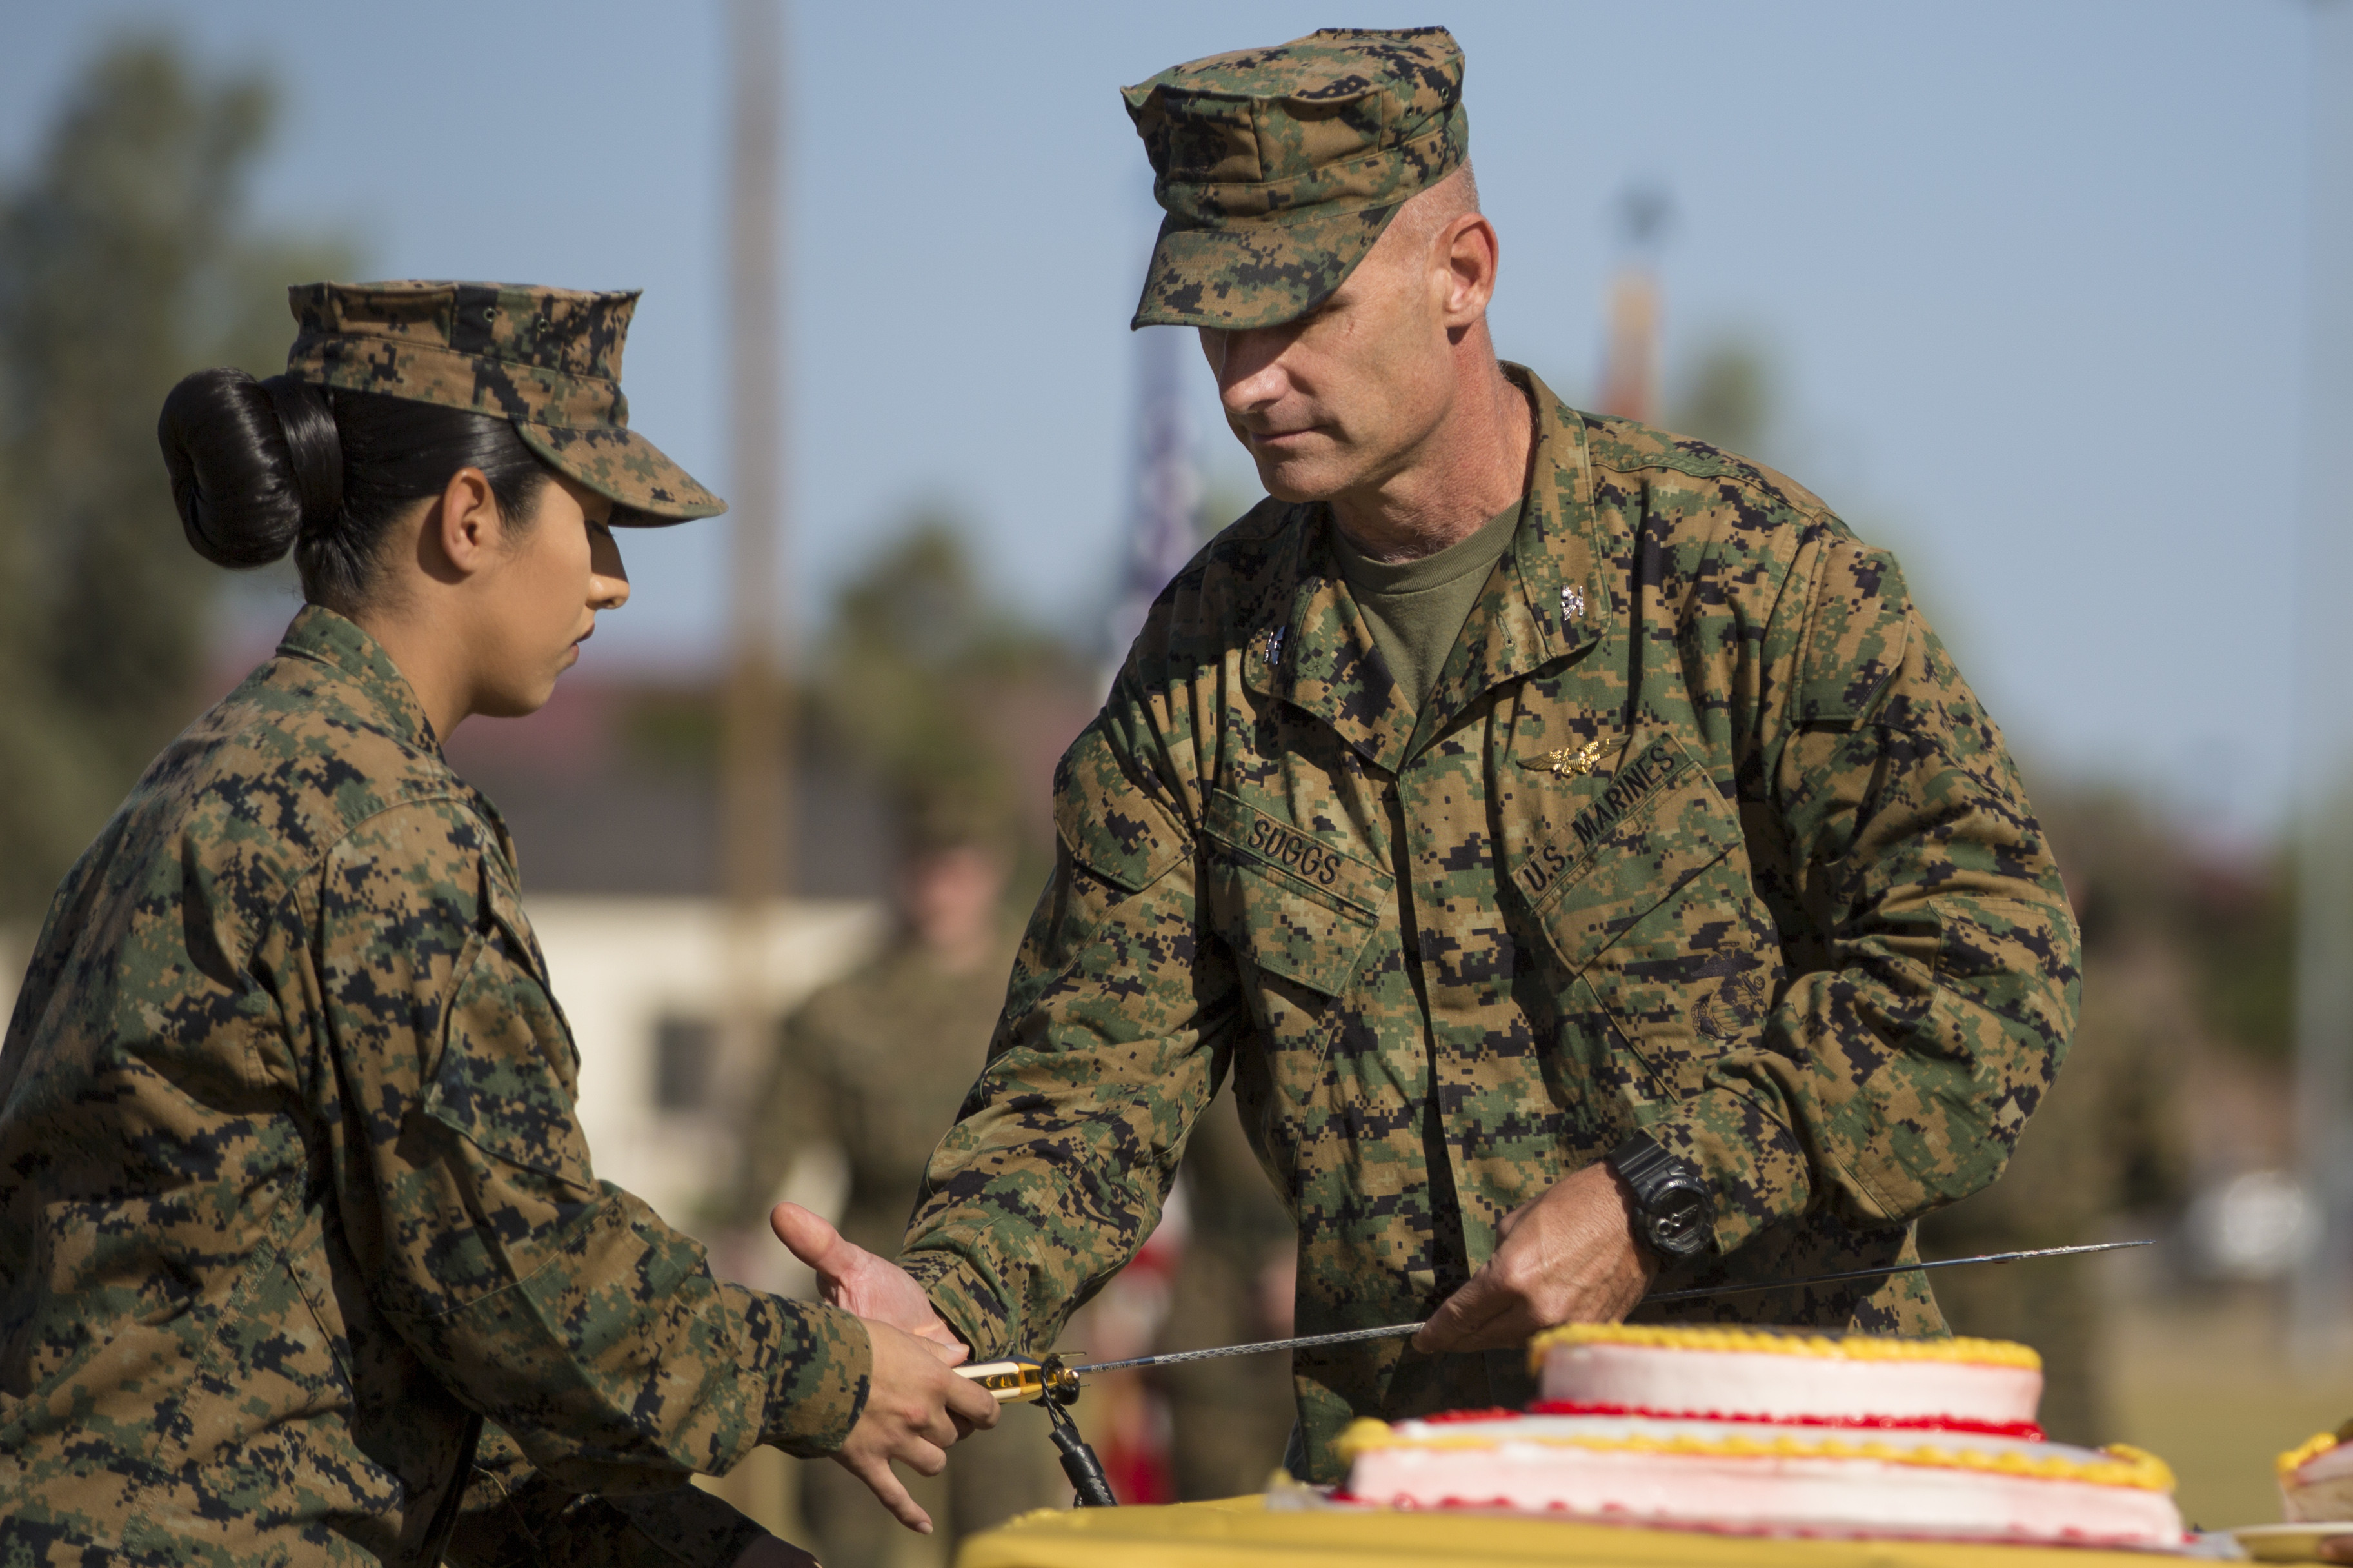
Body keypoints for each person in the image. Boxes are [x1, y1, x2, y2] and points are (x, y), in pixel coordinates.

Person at [777, 26, 2081, 1484]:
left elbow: (1984, 955)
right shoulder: (1204, 664)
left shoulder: (1746, 580)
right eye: (1216, 327)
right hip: (1411, 1476)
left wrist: (1664, 1195)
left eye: (1298, 316)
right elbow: (1088, 1075)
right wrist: (947, 1293)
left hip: (1776, 1463)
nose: (1247, 384)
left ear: (1463, 273)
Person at [0, 281, 995, 1568]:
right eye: (592, 523)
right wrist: (831, 1372)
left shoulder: (203, 783)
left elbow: (391, 1314)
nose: (616, 583)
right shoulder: (378, 829)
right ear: (471, 517)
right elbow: (525, 1282)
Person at [737, 799, 1057, 1564]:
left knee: (1010, 1529)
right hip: (871, 1268)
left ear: (992, 869)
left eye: (960, 865)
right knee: (855, 1518)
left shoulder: (1044, 995)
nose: (943, 886)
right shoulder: (841, 1005)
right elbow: (775, 1130)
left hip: (1005, 1271)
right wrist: (744, 1234)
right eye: (927, 865)